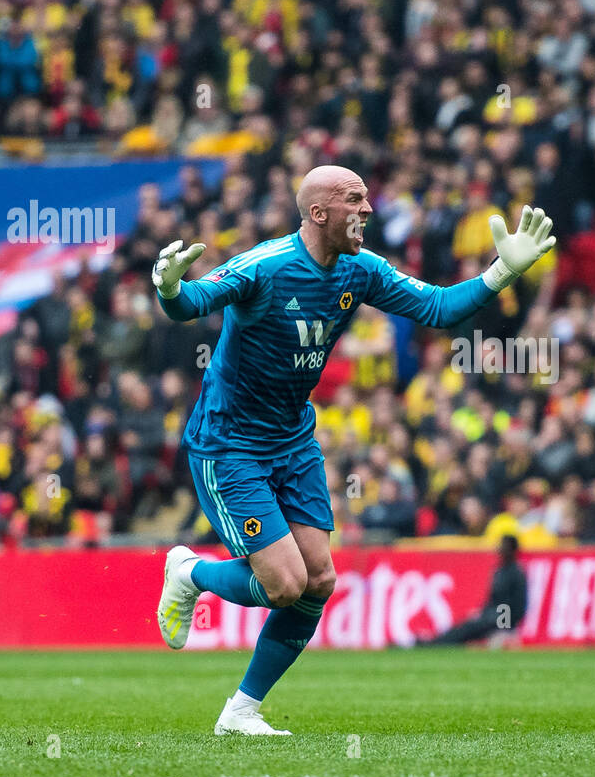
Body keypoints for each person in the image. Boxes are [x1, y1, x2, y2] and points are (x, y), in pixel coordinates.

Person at [152, 165, 556, 735]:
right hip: (230, 443)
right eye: (355, 199)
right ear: (319, 213)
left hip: (292, 440)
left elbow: (439, 309)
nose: (368, 208)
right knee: (283, 585)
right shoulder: (265, 266)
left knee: (318, 581)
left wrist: (501, 273)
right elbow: (194, 301)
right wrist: (169, 289)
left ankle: (241, 712)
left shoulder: (361, 270)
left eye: (367, 197)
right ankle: (189, 572)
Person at [417, 534, 528, 646]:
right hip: (493, 615)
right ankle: (436, 642)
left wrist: (503, 622)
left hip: (503, 619)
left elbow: (518, 606)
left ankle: (435, 643)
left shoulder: (516, 573)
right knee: (466, 625)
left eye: (503, 546)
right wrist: (483, 613)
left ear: (512, 550)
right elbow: (492, 600)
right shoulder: (499, 571)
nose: (500, 549)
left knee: (470, 627)